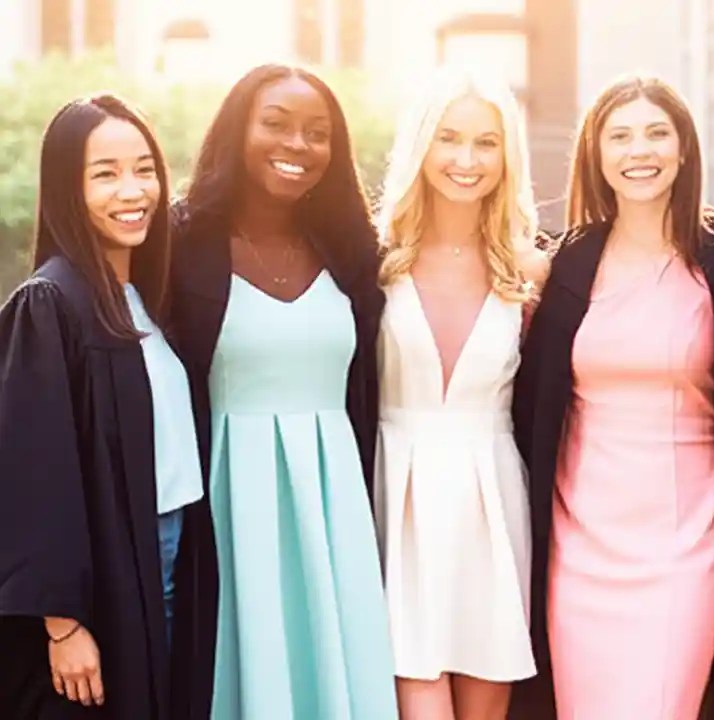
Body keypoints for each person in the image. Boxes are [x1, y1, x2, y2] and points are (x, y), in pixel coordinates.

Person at [510, 76, 714, 720]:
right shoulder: (566, 265)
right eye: (620, 136)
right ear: (597, 153)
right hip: (579, 543)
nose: (638, 151)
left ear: (683, 149)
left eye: (656, 133)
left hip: (688, 543)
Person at [168, 64, 396, 719]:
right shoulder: (181, 245)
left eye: (317, 133)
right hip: (225, 503)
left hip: (334, 507)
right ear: (238, 130)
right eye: (276, 124)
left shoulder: (355, 253)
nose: (297, 144)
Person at [0, 94, 211, 719]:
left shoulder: (147, 299)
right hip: (106, 573)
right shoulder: (51, 305)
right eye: (106, 173)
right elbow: (33, 477)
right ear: (69, 188)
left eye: (145, 169)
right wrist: (62, 626)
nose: (133, 190)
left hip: (170, 547)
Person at [374, 67, 549, 720]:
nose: (467, 160)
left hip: (491, 502)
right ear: (421, 144)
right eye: (449, 138)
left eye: (487, 142)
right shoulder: (375, 259)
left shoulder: (530, 268)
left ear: (509, 157)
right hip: (396, 495)